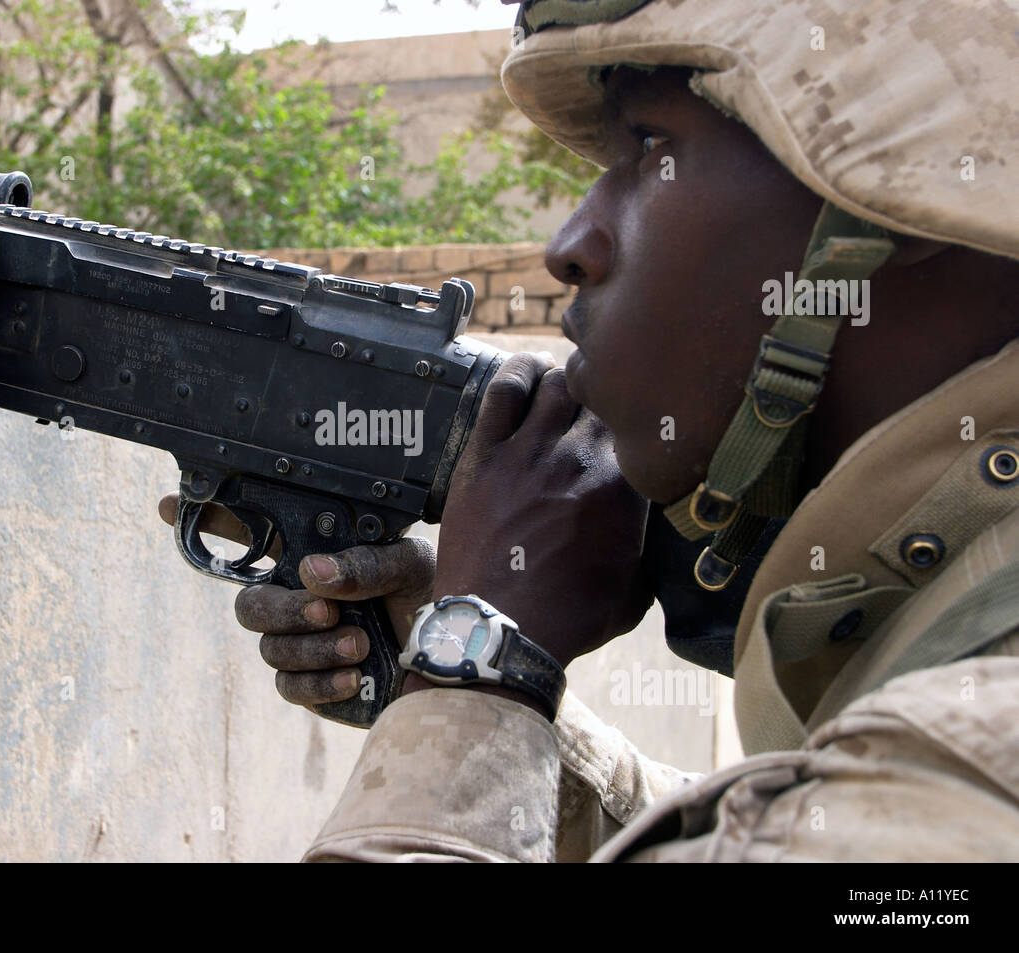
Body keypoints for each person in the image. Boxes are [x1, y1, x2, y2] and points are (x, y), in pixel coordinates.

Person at [162, 0, 1019, 861]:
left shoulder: (972, 754)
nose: (569, 244)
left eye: (650, 147)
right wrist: (504, 687)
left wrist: (471, 670)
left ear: (882, 198)